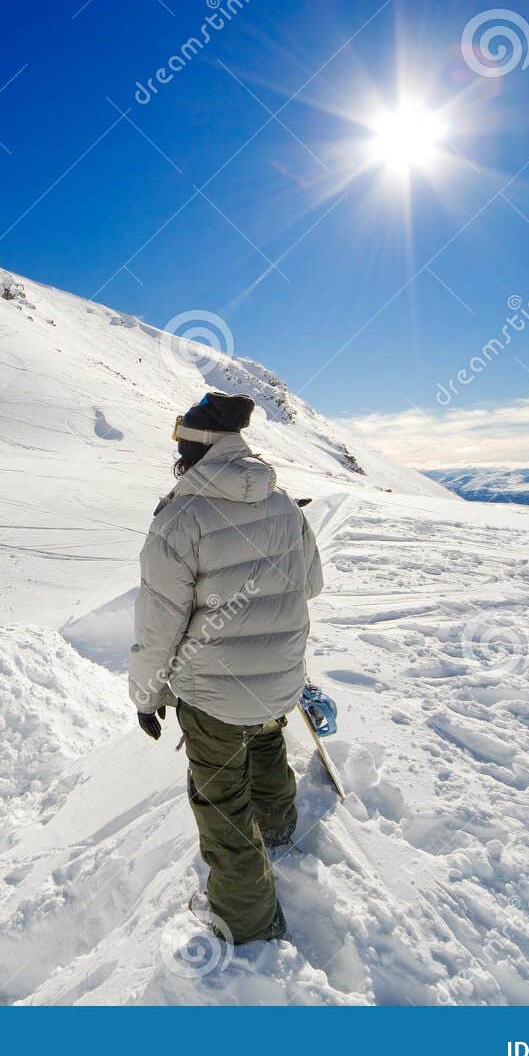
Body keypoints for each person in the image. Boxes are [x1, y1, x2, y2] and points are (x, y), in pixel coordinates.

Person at [129, 392, 324, 944]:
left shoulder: (179, 519)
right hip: (281, 677)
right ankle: (281, 829)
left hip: (213, 691)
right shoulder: (283, 503)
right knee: (266, 745)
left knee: (221, 803)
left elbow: (157, 627)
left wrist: (146, 698)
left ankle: (246, 920)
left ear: (191, 449)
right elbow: (311, 584)